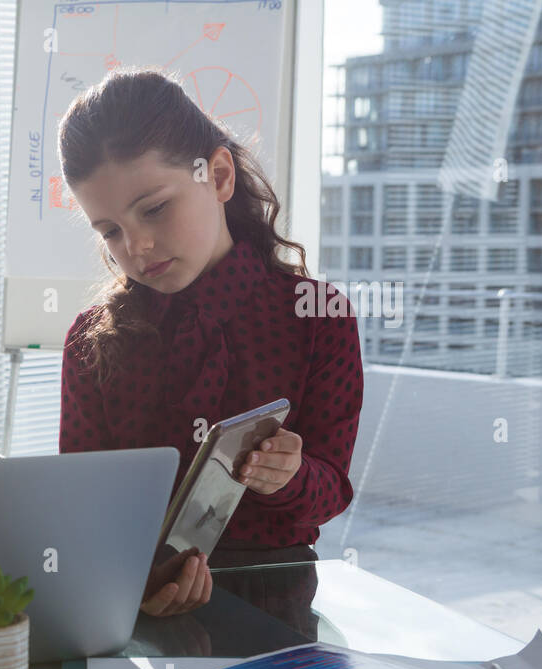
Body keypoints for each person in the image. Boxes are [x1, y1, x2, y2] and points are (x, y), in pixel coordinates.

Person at [57, 69, 363, 614]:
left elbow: (332, 493)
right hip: (135, 599)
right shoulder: (91, 338)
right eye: (109, 230)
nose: (137, 245)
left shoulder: (317, 315)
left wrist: (290, 476)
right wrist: (138, 582)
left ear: (219, 175)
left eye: (154, 208)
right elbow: (83, 506)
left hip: (276, 600)